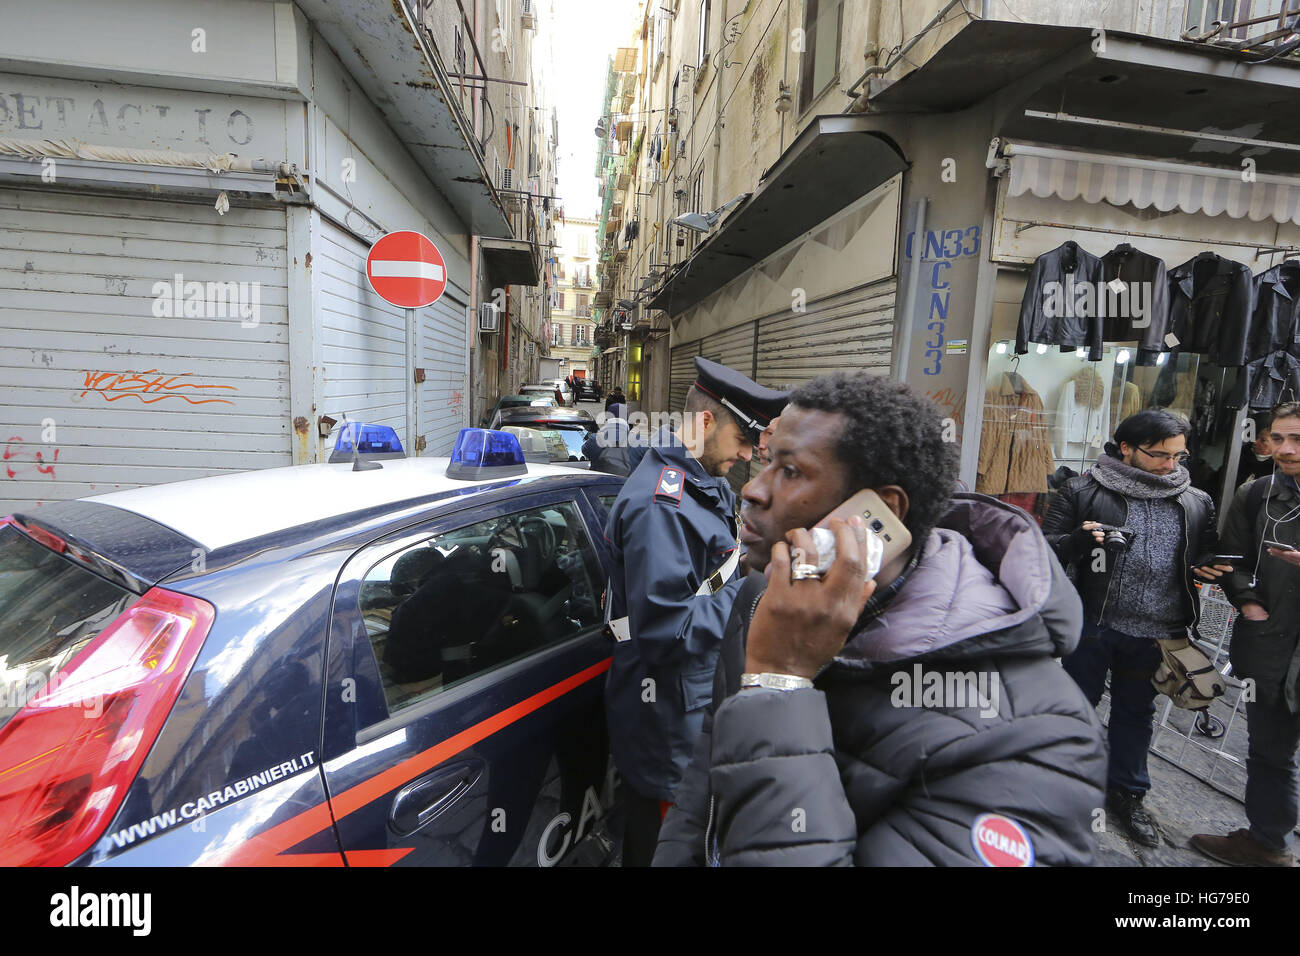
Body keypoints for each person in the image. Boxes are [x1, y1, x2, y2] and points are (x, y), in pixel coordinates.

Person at [655, 372, 1107, 866]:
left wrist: (778, 685)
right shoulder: (770, 596)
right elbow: (706, 782)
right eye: (766, 463)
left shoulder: (1036, 741)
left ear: (876, 514)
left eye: (791, 472)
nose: (753, 492)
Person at [604, 357, 787, 866]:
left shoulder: (700, 485)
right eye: (744, 439)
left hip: (696, 710)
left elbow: (714, 575)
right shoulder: (660, 507)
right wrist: (753, 585)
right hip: (668, 728)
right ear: (705, 423)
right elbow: (669, 632)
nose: (750, 454)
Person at [1042, 410, 1226, 848]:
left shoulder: (1195, 500)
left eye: (1179, 455)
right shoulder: (1082, 490)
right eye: (1159, 455)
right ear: (1126, 447)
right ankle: (1063, 789)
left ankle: (1127, 794)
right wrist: (1080, 543)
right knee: (1075, 709)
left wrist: (1212, 570)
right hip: (1092, 623)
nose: (1171, 465)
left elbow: (1206, 554)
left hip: (1161, 632)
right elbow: (1043, 551)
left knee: (1135, 715)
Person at [1191, 402, 1300, 867]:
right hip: (1271, 647)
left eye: (1296, 439)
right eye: (1276, 438)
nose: (1284, 449)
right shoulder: (1257, 494)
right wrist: (1249, 604)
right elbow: (1233, 559)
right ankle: (1266, 843)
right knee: (1270, 753)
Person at [582, 402, 647, 477]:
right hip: (627, 486)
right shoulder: (640, 442)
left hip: (600, 485)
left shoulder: (594, 439)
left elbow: (585, 451)